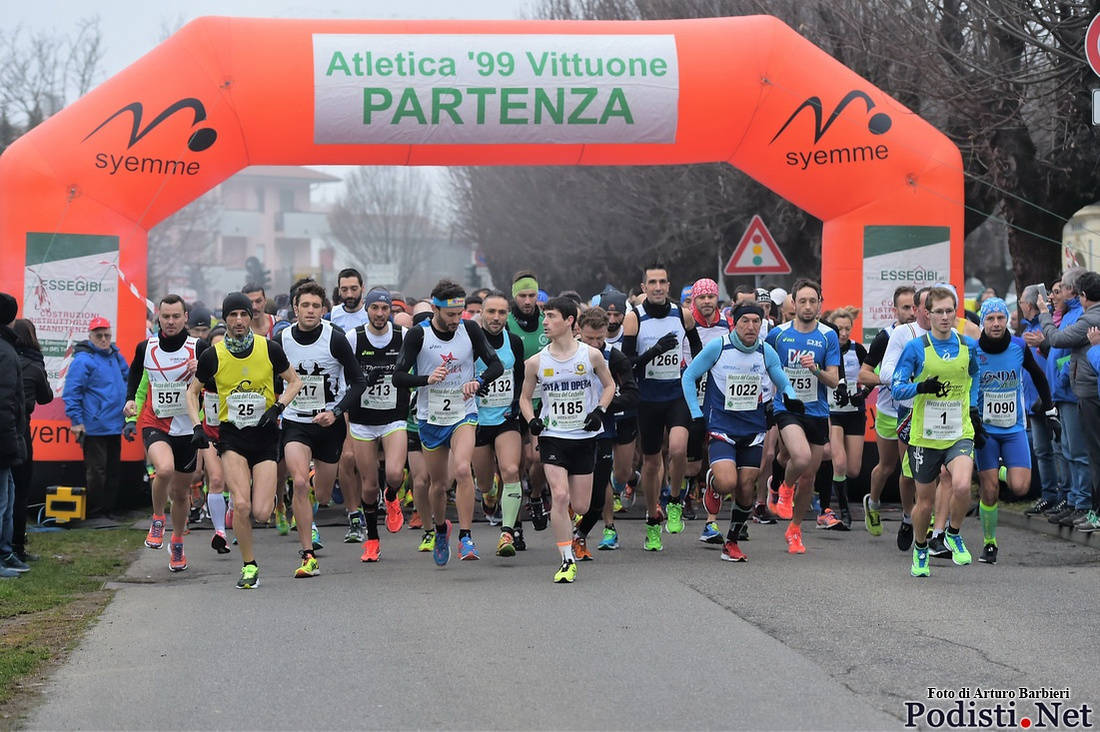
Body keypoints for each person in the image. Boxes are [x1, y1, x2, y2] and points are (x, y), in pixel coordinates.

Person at [187, 292, 302, 588]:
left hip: (264, 437)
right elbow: (192, 392)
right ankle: (249, 565)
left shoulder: (269, 349)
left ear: (251, 317)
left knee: (261, 512)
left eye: (243, 315)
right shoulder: (213, 355)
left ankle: (274, 500)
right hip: (232, 437)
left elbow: (295, 382)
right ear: (224, 319)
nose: (238, 321)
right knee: (241, 504)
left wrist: (278, 407)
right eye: (232, 315)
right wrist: (197, 425)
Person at [392, 279, 503, 565]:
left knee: (463, 469)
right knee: (438, 485)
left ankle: (466, 535)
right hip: (431, 417)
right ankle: (441, 529)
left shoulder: (470, 330)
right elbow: (398, 377)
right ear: (436, 308)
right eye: (451, 314)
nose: (457, 319)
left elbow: (495, 364)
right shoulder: (418, 335)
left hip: (463, 412)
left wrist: (478, 382)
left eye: (460, 313)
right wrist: (425, 380)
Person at [681, 302, 797, 562]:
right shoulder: (719, 347)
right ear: (734, 322)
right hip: (722, 426)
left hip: (753, 429)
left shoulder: (766, 351)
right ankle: (712, 482)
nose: (751, 326)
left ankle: (731, 541)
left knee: (746, 487)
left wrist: (791, 396)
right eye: (745, 321)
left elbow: (781, 379)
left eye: (757, 321)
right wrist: (696, 414)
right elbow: (689, 377)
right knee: (727, 482)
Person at [519, 297, 615, 583]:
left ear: (569, 321)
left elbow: (610, 385)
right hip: (553, 436)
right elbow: (524, 398)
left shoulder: (591, 356)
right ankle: (566, 559)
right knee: (559, 495)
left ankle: (568, 525)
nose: (545, 322)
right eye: (544, 316)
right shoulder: (536, 362)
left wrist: (600, 410)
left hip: (584, 436)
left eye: (550, 316)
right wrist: (532, 420)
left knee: (582, 506)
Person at [890, 286, 981, 577]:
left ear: (956, 313)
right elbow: (896, 385)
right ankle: (920, 546)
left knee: (963, 485)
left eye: (949, 311)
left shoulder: (968, 345)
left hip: (958, 430)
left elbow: (975, 375)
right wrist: (921, 386)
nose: (944, 317)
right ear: (927, 314)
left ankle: (952, 534)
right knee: (925, 504)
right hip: (925, 436)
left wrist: (975, 407)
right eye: (938, 311)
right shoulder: (916, 348)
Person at [277, 281, 365, 575]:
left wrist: (336, 411)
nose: (311, 311)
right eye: (305, 305)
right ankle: (307, 554)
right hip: (295, 422)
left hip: (329, 424)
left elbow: (359, 382)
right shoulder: (282, 339)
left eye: (316, 306)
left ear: (324, 309)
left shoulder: (335, 339)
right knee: (299, 484)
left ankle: (314, 477)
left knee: (323, 495)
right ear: (295, 308)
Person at [620, 262, 701, 550]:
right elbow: (626, 365)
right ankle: (653, 518)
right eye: (652, 282)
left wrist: (691, 374)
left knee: (679, 448)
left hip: (676, 393)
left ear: (669, 285)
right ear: (643, 287)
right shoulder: (634, 318)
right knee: (652, 463)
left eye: (662, 282)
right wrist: (655, 351)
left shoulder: (683, 314)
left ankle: (676, 500)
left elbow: (699, 352)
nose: (657, 287)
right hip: (648, 398)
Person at [765, 278, 841, 554]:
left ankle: (795, 529)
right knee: (801, 457)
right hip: (787, 408)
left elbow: (833, 380)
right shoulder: (778, 335)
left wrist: (816, 370)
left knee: (808, 477)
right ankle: (784, 488)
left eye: (813, 301)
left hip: (817, 411)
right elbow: (765, 368)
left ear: (820, 303)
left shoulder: (828, 336)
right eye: (803, 301)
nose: (808, 306)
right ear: (793, 304)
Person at [974, 297, 1051, 561]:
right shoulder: (974, 350)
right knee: (990, 490)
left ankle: (1001, 470)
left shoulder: (1018, 346)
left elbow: (1038, 375)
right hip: (985, 430)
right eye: (990, 319)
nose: (996, 324)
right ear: (982, 322)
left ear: (1007, 320)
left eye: (1001, 318)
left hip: (1013, 428)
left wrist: (1048, 404)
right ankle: (990, 542)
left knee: (1021, 488)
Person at [346, 288, 411, 562]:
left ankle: (393, 496)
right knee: (369, 485)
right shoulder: (354, 338)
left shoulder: (403, 336)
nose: (380, 314)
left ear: (390, 312)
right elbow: (343, 374)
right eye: (375, 308)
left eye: (385, 309)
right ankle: (372, 539)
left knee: (395, 474)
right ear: (367, 310)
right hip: (363, 420)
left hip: (393, 416)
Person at [573, 306, 637, 560]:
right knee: (566, 490)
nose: (595, 344)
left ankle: (580, 533)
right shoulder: (563, 353)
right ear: (578, 331)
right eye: (589, 339)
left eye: (600, 338)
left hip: (600, 431)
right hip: (565, 432)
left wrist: (604, 406)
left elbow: (632, 394)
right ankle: (567, 534)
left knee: (597, 498)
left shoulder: (614, 357)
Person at [1038, 269, 1100, 529]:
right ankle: (1082, 504)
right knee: (1075, 452)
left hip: (1086, 393)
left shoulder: (1089, 319)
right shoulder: (1086, 316)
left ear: (1082, 295)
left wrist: (1044, 314)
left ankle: (1089, 508)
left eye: (1062, 289)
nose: (1057, 294)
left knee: (1088, 454)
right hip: (1079, 392)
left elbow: (1057, 339)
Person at [857, 286, 917, 536]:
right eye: (905, 308)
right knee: (887, 466)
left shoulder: (924, 335)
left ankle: (911, 517)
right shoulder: (886, 336)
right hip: (889, 411)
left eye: (914, 307)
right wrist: (892, 379)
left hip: (914, 412)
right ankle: (873, 503)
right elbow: (863, 374)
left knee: (910, 467)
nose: (911, 312)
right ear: (894, 310)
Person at [471, 291, 527, 557]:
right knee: (484, 482)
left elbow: (519, 375)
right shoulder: (470, 342)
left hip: (505, 418)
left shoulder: (513, 342)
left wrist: (516, 401)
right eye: (491, 312)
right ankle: (489, 493)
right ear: (482, 313)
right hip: (477, 420)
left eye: (502, 312)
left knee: (511, 469)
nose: (496, 318)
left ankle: (507, 532)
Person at [64, 316, 130, 520]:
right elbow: (71, 393)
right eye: (99, 335)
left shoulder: (115, 356)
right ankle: (96, 513)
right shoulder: (83, 360)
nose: (103, 339)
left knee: (112, 471)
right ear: (90, 336)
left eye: (107, 335)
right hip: (94, 427)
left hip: (114, 424)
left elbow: (128, 380)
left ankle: (108, 511)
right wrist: (77, 421)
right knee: (97, 472)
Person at [507, 270, 550, 530]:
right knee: (513, 465)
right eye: (522, 295)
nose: (527, 300)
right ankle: (515, 526)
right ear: (514, 296)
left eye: (532, 295)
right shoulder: (505, 323)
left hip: (541, 402)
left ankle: (535, 497)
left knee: (539, 458)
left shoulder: (548, 322)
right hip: (512, 401)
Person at [1018, 285, 1065, 516]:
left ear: (1028, 304)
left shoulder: (1049, 326)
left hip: (1048, 399)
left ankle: (1064, 496)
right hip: (1031, 400)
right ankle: (1049, 496)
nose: (1019, 305)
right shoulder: (1026, 329)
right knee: (1041, 450)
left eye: (1020, 301)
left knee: (1058, 448)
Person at [10, 319, 53, 563]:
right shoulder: (34, 366)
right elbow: (46, 397)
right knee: (20, 489)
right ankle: (16, 545)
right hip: (21, 431)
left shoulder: (7, 358)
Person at [822, 307, 868, 530]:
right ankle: (843, 510)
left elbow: (870, 374)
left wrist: (864, 393)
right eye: (839, 329)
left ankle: (835, 491)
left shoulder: (857, 349)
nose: (843, 333)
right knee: (839, 462)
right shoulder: (826, 350)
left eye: (847, 329)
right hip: (833, 412)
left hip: (854, 412)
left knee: (853, 470)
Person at [0, 293, 29, 578]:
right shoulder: (6, 352)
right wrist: (12, 442)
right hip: (4, 440)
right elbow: (6, 402)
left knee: (6, 500)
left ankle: (6, 552)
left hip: (6, 438)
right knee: (2, 501)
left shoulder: (7, 349)